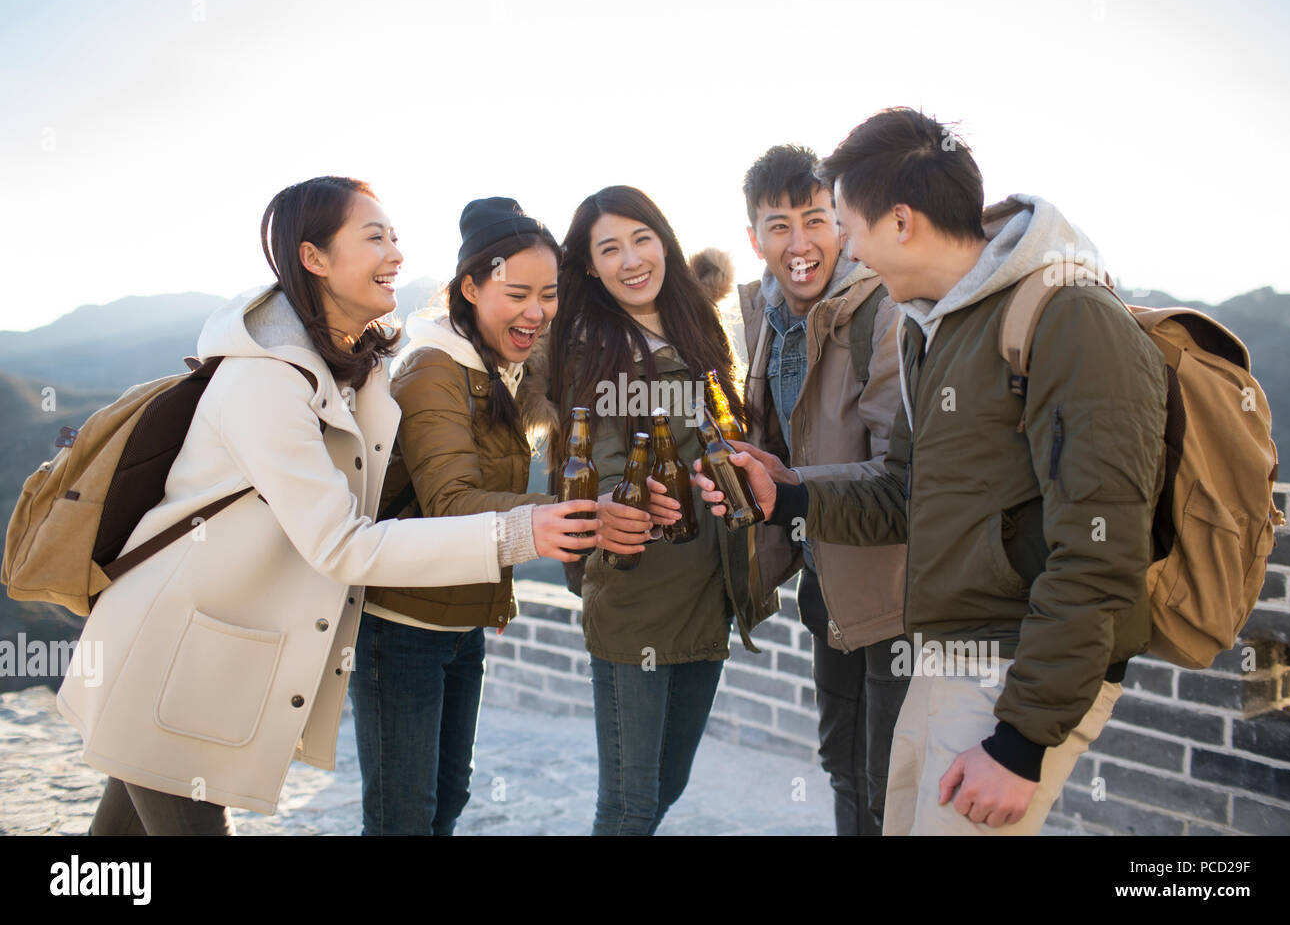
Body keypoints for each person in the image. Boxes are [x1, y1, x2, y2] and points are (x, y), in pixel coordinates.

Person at [58, 176, 593, 834]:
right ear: (313, 257)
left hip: (215, 661)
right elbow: (345, 543)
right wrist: (521, 533)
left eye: (396, 237)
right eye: (374, 238)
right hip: (169, 654)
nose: (396, 254)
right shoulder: (266, 378)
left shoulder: (355, 365)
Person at [696, 108, 1167, 835]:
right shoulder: (933, 326)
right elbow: (904, 495)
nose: (842, 248)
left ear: (902, 222)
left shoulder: (1071, 318)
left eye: (844, 226)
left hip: (1015, 669)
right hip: (949, 657)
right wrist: (787, 495)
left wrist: (1019, 742)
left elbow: (1103, 554)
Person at [535, 184, 777, 835]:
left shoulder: (696, 328)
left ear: (663, 241)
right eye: (609, 248)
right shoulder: (590, 347)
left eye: (642, 238)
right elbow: (596, 457)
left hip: (710, 589)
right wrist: (623, 498)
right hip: (638, 599)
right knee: (628, 805)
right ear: (590, 267)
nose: (632, 258)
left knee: (667, 785)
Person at [354, 198, 596, 835]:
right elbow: (452, 504)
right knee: (402, 817)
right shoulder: (435, 367)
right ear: (469, 286)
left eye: (548, 294)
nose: (536, 312)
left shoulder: (500, 371)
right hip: (399, 627)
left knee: (447, 800)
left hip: (460, 621)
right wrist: (573, 514)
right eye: (517, 293)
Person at [730, 143, 909, 835]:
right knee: (841, 762)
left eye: (815, 220)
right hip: (825, 583)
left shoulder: (882, 312)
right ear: (754, 239)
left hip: (896, 594)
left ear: (842, 224)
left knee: (891, 779)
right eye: (779, 226)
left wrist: (790, 483)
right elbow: (787, 445)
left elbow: (904, 473)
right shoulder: (769, 319)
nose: (799, 243)